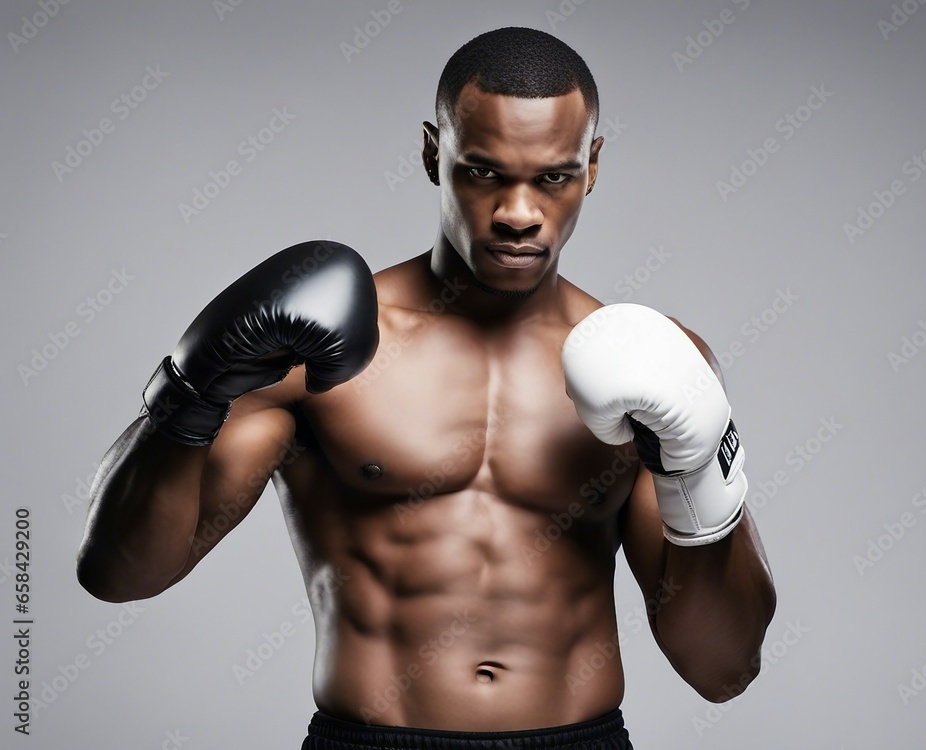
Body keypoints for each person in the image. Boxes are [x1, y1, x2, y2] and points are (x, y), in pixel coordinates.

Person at [77, 26, 776, 750]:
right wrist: (190, 389)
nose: (518, 213)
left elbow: (722, 669)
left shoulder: (653, 366)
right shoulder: (316, 352)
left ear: (591, 165)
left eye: (553, 178)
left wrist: (698, 472)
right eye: (483, 171)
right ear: (430, 153)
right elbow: (120, 575)